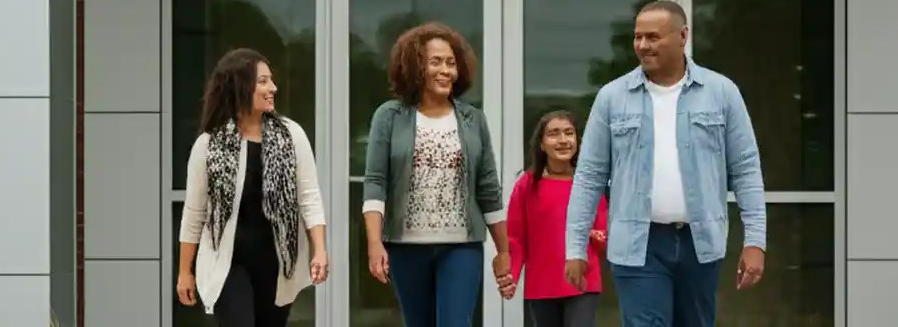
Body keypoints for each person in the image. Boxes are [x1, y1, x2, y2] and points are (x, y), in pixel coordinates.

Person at [564, 0, 767, 327]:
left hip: (701, 244)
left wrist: (755, 242)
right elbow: (589, 177)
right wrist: (574, 247)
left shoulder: (721, 92)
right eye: (637, 37)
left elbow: (745, 170)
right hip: (637, 245)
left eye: (653, 37)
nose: (642, 46)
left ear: (682, 35)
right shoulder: (612, 97)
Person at [362, 22, 515, 325]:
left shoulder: (473, 119)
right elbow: (376, 182)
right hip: (406, 248)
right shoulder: (390, 116)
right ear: (415, 67)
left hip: (461, 246)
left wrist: (503, 250)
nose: (446, 70)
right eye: (436, 62)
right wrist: (374, 242)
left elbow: (488, 189)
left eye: (451, 62)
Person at [176, 48, 328, 327]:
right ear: (240, 86)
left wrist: (319, 250)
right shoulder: (209, 145)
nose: (273, 88)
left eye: (271, 80)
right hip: (228, 265)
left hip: (277, 263)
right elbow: (194, 212)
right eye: (263, 81)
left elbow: (309, 198)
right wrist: (185, 271)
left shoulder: (291, 135)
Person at [507, 110, 609, 327]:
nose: (563, 140)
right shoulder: (526, 185)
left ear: (578, 141)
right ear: (542, 144)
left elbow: (604, 231)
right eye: (554, 134)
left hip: (583, 281)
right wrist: (511, 276)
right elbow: (515, 237)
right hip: (542, 284)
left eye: (569, 133)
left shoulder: (589, 184)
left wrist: (597, 236)